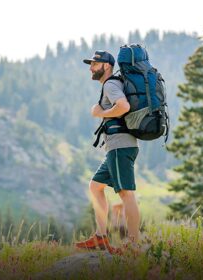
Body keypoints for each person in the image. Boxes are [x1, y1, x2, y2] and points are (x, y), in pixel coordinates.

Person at [75, 50, 140, 253]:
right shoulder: (110, 85)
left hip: (120, 146)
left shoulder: (111, 84)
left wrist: (100, 113)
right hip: (116, 147)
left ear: (107, 66)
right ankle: (101, 237)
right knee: (95, 186)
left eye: (95, 63)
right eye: (91, 64)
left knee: (125, 193)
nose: (91, 67)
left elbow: (123, 106)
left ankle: (134, 243)